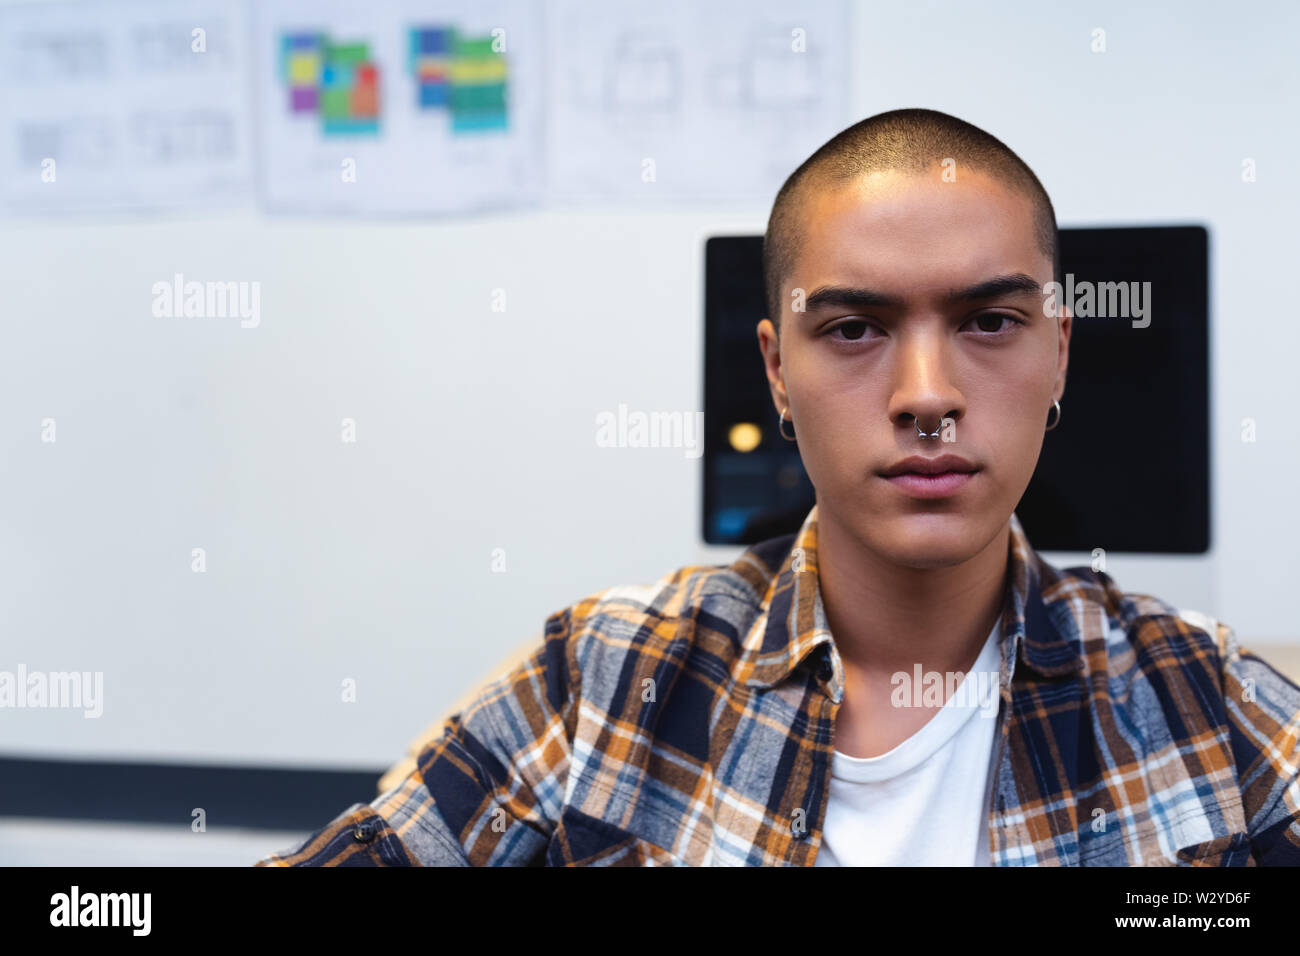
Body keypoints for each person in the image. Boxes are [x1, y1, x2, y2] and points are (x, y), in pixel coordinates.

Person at [255, 108, 1300, 867]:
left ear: (1059, 352)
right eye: (853, 328)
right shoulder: (609, 679)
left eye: (989, 321)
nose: (926, 395)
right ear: (774, 372)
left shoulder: (1202, 697)